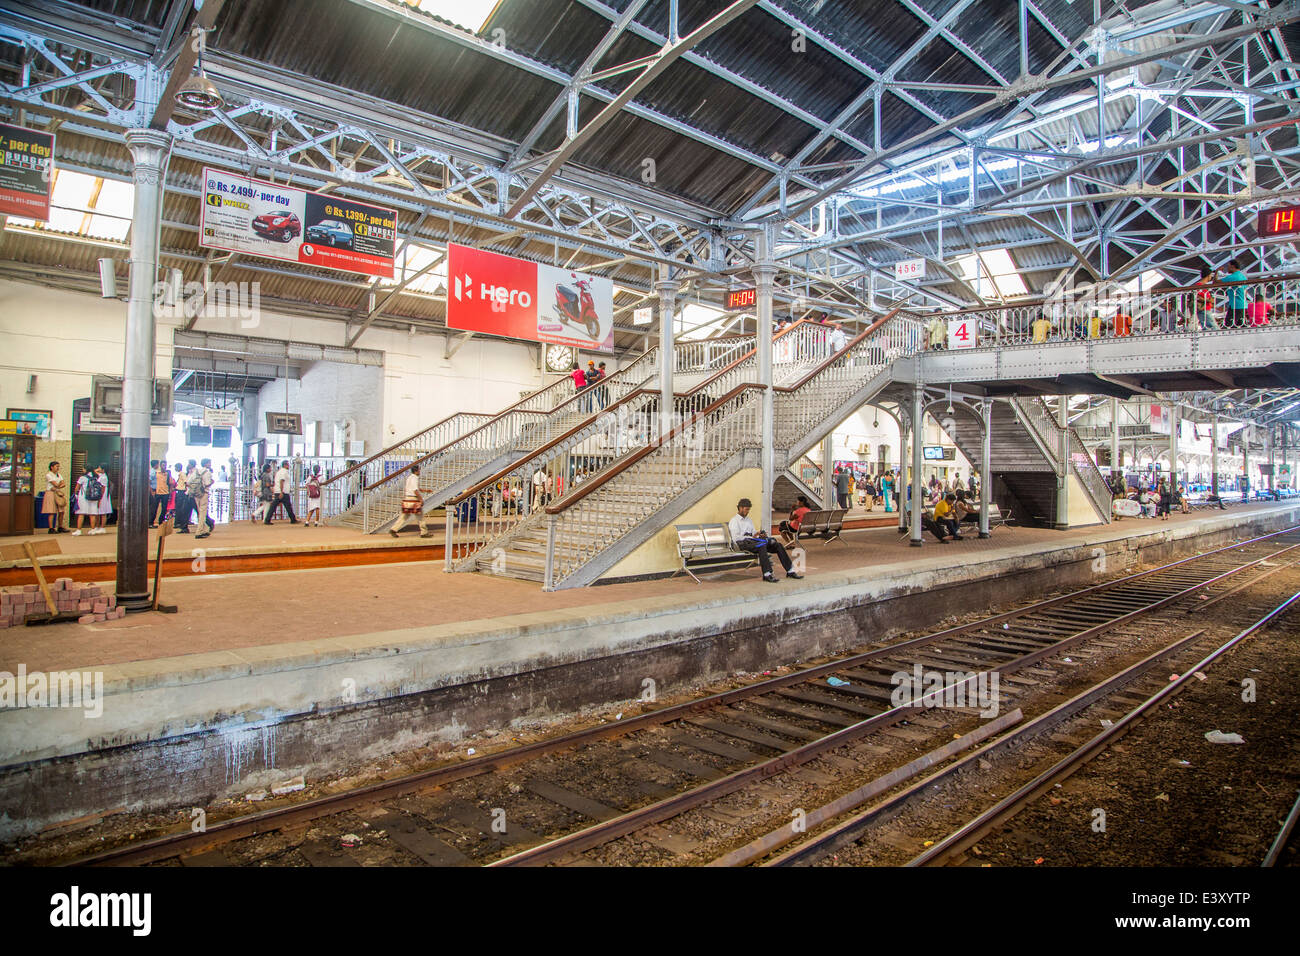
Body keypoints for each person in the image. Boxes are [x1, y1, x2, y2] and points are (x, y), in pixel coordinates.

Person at [728, 498, 799, 583]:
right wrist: (751, 537)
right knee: (762, 545)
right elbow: (735, 538)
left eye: (748, 510)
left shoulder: (748, 520)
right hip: (742, 543)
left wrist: (758, 534)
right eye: (746, 509)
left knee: (778, 545)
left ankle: (790, 570)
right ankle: (767, 574)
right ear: (740, 508)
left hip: (754, 542)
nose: (747, 512)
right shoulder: (734, 521)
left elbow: (753, 532)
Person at [390, 464, 429, 537]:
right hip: (413, 499)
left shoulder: (409, 478)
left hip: (407, 498)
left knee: (404, 515)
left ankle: (394, 529)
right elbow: (415, 490)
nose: (420, 471)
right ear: (416, 471)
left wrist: (425, 490)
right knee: (420, 516)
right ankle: (424, 532)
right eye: (419, 469)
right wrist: (421, 499)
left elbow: (414, 488)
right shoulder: (415, 478)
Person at [265, 460, 298, 524]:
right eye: (288, 465)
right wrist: (281, 492)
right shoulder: (284, 472)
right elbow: (281, 481)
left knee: (275, 506)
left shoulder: (280, 471)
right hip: (283, 492)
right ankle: (293, 519)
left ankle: (267, 519)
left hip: (279, 491)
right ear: (285, 465)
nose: (289, 466)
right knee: (287, 506)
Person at [191, 458, 215, 539]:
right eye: (209, 463)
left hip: (196, 493)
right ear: (206, 464)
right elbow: (207, 484)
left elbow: (189, 481)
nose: (210, 464)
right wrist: (212, 482)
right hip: (204, 493)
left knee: (199, 511)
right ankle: (199, 531)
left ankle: (205, 529)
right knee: (203, 512)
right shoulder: (207, 472)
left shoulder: (196, 471)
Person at [1221, 259, 1248, 328]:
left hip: (1236, 305)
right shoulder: (1243, 276)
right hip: (1243, 304)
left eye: (1228, 266)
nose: (1227, 268)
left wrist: (1217, 271)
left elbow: (1215, 282)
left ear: (1233, 266)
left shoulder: (1233, 277)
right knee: (1240, 325)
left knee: (1228, 326)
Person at [43, 461, 68, 534]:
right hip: (50, 493)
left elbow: (63, 484)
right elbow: (56, 484)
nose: (58, 468)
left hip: (58, 493)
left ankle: (60, 527)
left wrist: (58, 485)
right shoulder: (48, 475)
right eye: (56, 466)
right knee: (52, 511)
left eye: (58, 466)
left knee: (61, 511)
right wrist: (58, 485)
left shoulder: (59, 475)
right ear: (52, 467)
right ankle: (51, 528)